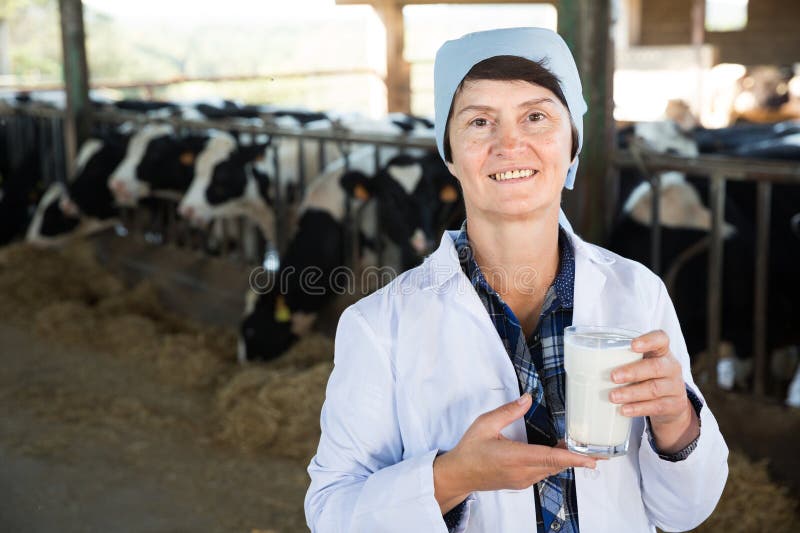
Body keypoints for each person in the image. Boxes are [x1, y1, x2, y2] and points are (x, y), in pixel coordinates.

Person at [305, 27, 728, 533]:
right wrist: (451, 477)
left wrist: (677, 421)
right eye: (479, 121)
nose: (510, 144)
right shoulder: (379, 325)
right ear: (449, 154)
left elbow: (683, 512)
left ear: (573, 144)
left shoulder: (636, 292)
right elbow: (331, 512)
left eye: (536, 117)